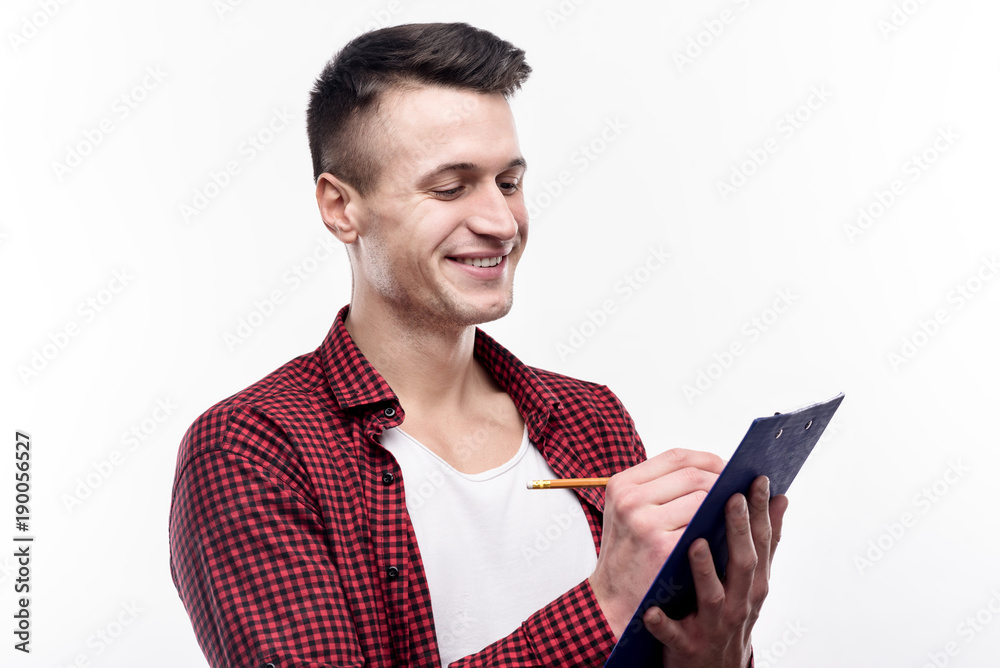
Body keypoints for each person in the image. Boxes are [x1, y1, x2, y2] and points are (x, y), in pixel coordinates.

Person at [168, 22, 787, 668]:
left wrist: (714, 654)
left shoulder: (591, 418)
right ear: (339, 208)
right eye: (450, 187)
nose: (500, 223)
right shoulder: (253, 449)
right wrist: (602, 608)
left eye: (509, 183)